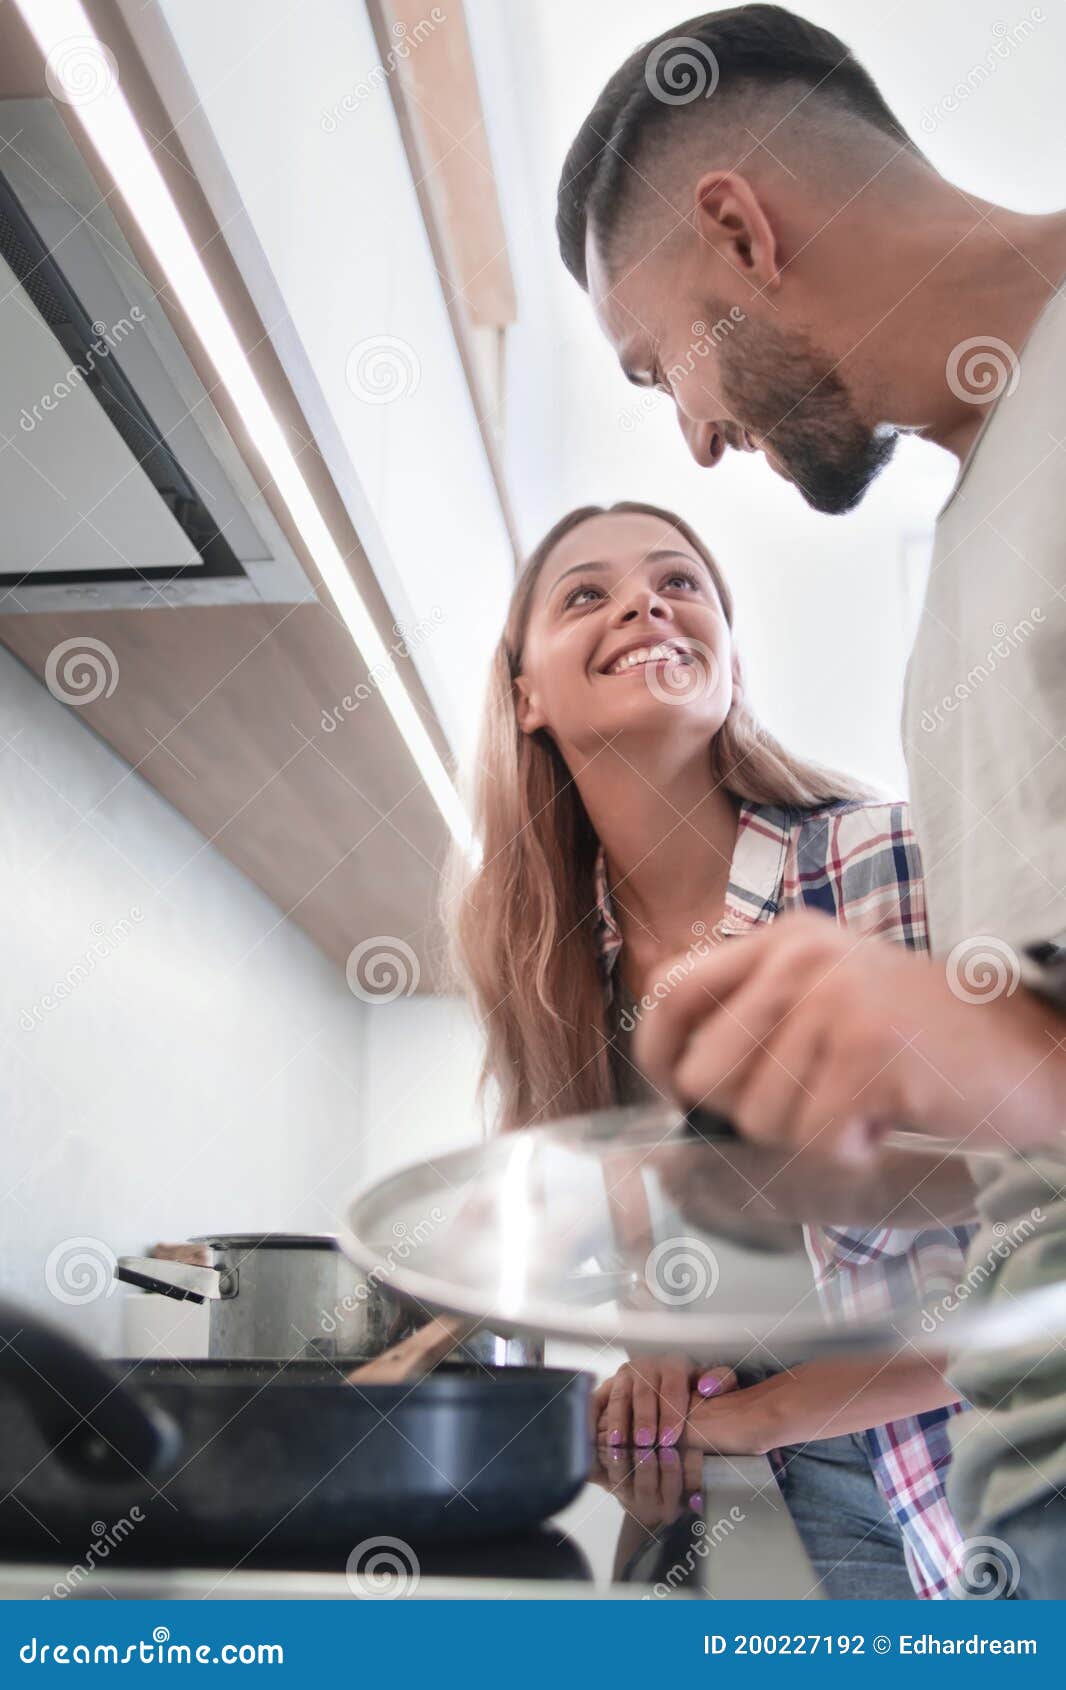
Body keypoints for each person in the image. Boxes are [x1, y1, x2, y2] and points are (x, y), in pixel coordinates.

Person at [555, 4, 1066, 1598]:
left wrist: (943, 1038)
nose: (696, 442)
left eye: (665, 368)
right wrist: (852, 1166)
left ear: (738, 228)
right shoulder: (960, 595)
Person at [451, 497, 975, 1598]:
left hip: (951, 1481)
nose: (645, 601)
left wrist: (773, 1410)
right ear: (527, 697)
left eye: (679, 582)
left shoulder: (889, 861)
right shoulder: (560, 986)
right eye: (585, 593)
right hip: (736, 1490)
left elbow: (1042, 1249)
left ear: (728, 664)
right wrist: (661, 1378)